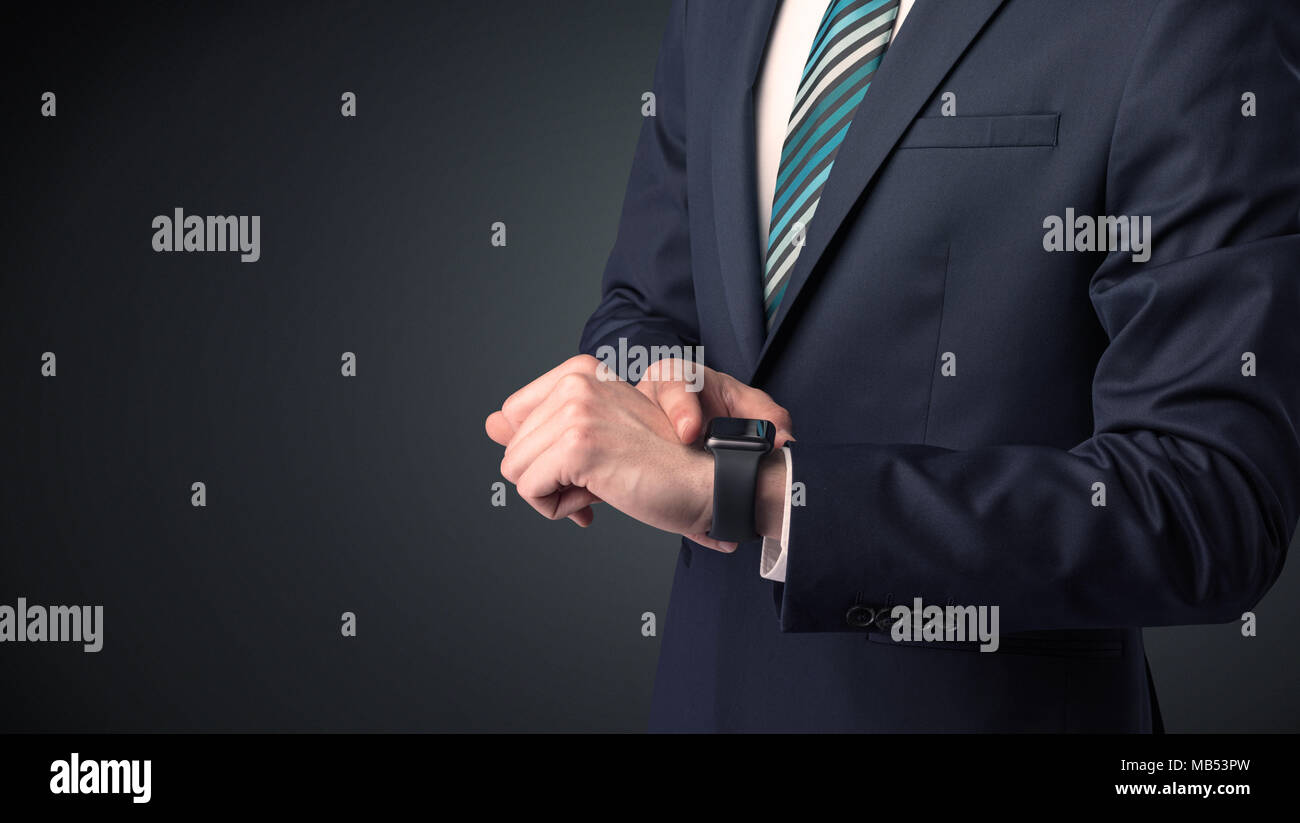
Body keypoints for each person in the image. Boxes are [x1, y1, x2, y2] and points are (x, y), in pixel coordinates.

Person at [486, 0, 1300, 732]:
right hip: (705, 696)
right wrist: (662, 381)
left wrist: (754, 489)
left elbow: (1211, 496)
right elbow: (643, 299)